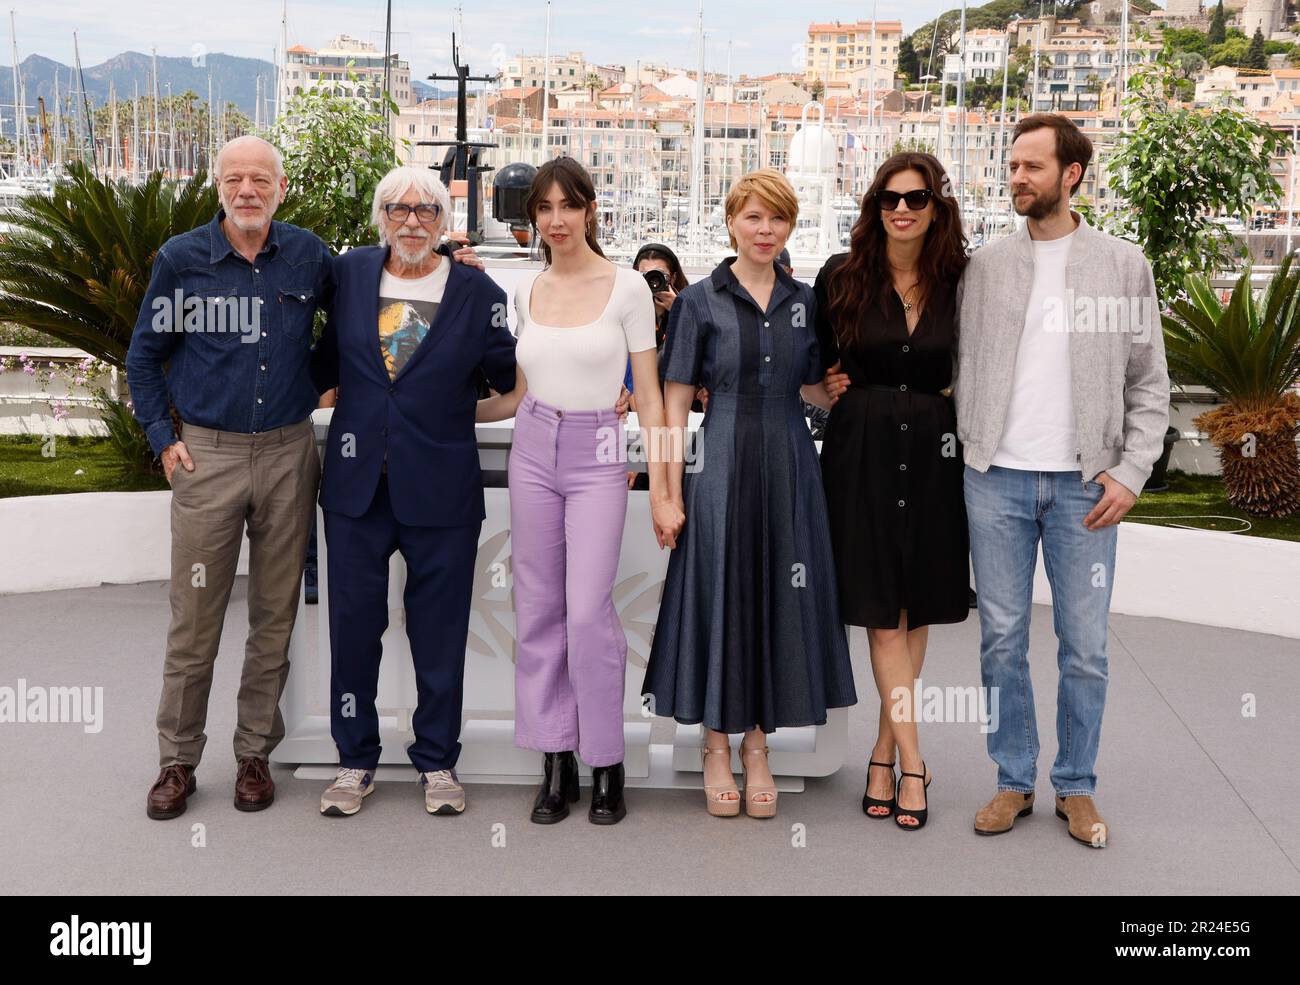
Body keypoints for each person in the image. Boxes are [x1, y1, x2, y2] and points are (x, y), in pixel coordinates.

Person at [955, 114, 1169, 846]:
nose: (1017, 177)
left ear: (1071, 174)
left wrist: (1132, 472)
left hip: (1086, 486)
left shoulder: (1122, 265)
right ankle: (1013, 777)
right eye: (1012, 166)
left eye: (1031, 167)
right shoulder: (985, 267)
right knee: (1001, 639)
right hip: (995, 481)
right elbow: (955, 367)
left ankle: (1076, 785)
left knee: (1086, 645)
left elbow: (1150, 383)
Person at [127, 136, 331, 819]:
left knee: (273, 617)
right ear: (217, 185)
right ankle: (177, 761)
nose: (248, 189)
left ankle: (253, 755)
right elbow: (143, 357)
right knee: (195, 621)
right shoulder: (183, 260)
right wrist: (164, 440)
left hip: (287, 456)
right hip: (205, 458)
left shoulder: (307, 254)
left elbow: (370, 297)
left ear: (280, 187)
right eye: (235, 178)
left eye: (260, 179)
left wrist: (449, 266)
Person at [642, 168, 856, 818]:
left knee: (772, 598)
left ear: (790, 226)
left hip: (790, 463)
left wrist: (834, 390)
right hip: (724, 463)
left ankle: (756, 744)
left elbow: (810, 385)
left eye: (778, 218)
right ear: (732, 221)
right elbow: (675, 404)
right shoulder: (700, 302)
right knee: (721, 598)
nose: (765, 229)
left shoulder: (804, 299)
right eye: (754, 217)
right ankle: (714, 744)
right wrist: (666, 493)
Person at [477, 157, 680, 825]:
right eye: (544, 208)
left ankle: (607, 758)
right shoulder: (524, 290)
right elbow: (520, 393)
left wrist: (661, 488)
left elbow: (649, 395)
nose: (556, 219)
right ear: (532, 218)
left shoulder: (626, 288)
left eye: (568, 205)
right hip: (534, 444)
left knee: (589, 611)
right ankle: (555, 758)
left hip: (598, 448)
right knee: (536, 607)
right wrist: (459, 410)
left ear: (590, 210)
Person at [311, 166, 518, 818]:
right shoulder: (347, 276)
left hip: (443, 489)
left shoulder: (476, 290)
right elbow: (314, 359)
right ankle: (354, 759)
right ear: (380, 218)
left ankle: (437, 760)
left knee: (439, 632)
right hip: (355, 489)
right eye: (397, 209)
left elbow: (506, 375)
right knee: (352, 631)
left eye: (426, 209)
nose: (411, 220)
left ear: (443, 220)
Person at [817, 152, 970, 831]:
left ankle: (882, 751)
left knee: (917, 611)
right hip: (864, 453)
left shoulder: (962, 281)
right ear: (874, 207)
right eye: (888, 198)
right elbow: (811, 366)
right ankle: (914, 764)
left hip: (937, 454)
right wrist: (821, 387)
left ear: (937, 207)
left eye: (915, 198)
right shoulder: (840, 276)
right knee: (884, 614)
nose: (901, 209)